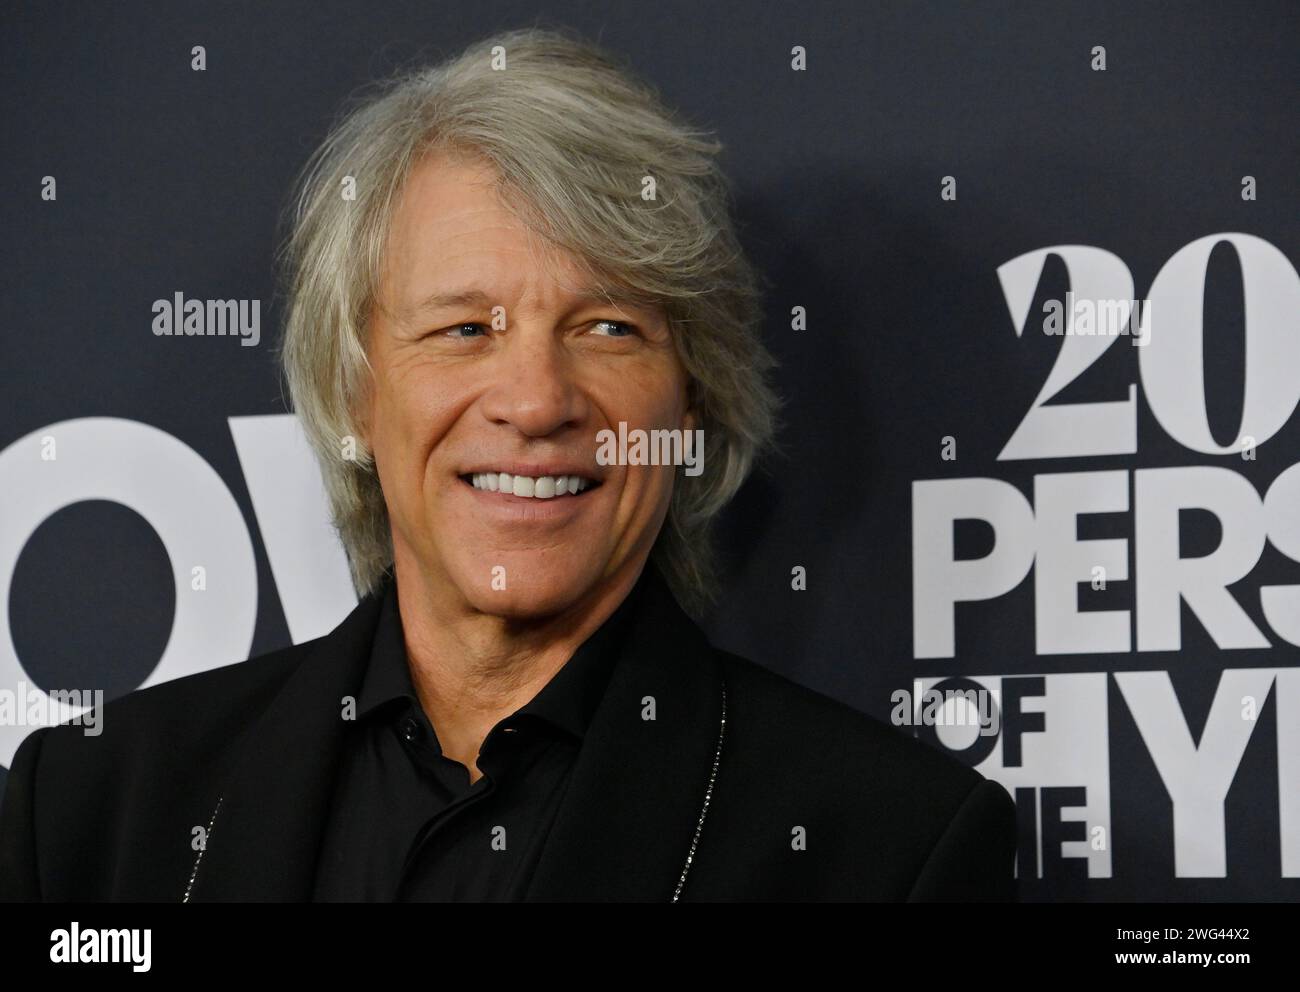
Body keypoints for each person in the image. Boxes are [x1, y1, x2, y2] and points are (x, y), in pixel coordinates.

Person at [0, 26, 1015, 902]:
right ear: (354, 389)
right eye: (461, 328)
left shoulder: (885, 851)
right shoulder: (92, 813)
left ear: (692, 398)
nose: (535, 401)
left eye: (608, 326)